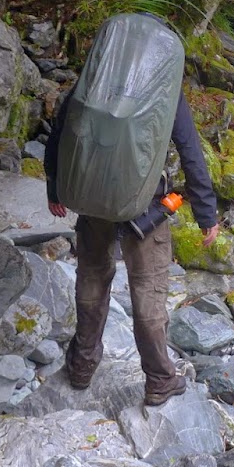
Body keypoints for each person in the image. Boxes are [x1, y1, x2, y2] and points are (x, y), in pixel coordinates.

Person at [44, 79, 220, 405]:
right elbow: (189, 148)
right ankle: (159, 380)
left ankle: (81, 367)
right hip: (145, 204)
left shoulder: (103, 70)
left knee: (92, 276)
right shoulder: (165, 85)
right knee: (148, 289)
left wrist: (56, 186)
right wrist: (206, 212)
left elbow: (62, 130)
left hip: (93, 197)